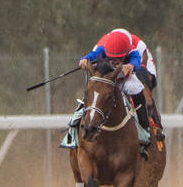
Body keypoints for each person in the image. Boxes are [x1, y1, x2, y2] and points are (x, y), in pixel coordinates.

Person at [62, 28, 160, 158]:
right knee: (91, 94)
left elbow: (136, 62)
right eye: (111, 58)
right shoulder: (102, 48)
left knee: (138, 91)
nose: (113, 61)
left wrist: (131, 66)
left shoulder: (133, 52)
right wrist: (84, 59)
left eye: (118, 59)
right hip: (106, 81)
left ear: (126, 53)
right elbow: (92, 55)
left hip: (124, 80)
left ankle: (144, 130)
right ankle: (73, 130)